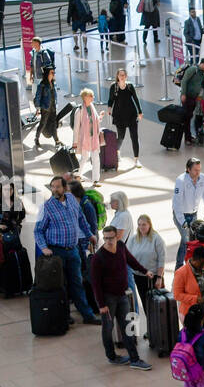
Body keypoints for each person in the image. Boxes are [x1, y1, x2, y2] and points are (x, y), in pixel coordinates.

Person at [35, 175, 99, 324]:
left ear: (65, 188)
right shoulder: (46, 207)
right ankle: (64, 316)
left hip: (73, 250)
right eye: (52, 187)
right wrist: (44, 248)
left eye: (57, 186)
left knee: (77, 283)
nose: (54, 189)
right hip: (56, 252)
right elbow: (38, 230)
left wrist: (90, 234)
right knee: (61, 285)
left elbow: (81, 219)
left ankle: (87, 315)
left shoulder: (71, 200)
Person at [91, 221, 154, 370]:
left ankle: (134, 359)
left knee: (127, 326)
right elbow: (96, 283)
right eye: (105, 238)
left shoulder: (120, 246)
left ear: (117, 237)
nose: (108, 241)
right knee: (108, 328)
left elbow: (131, 260)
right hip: (108, 298)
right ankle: (111, 356)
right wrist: (101, 305)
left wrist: (145, 271)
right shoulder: (98, 258)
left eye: (111, 238)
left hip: (122, 295)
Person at [172, 157, 204, 270]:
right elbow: (177, 204)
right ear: (188, 169)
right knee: (186, 240)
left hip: (193, 215)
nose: (198, 173)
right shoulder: (181, 181)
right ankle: (180, 267)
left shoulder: (203, 179)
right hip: (180, 214)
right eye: (195, 170)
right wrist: (183, 222)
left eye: (199, 170)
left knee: (190, 240)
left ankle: (187, 266)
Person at [107, 68, 143, 169]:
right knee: (121, 137)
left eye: (123, 75)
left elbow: (135, 99)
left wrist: (140, 111)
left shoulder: (130, 86)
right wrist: (109, 108)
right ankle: (117, 151)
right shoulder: (114, 87)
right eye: (120, 75)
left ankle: (136, 159)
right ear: (117, 76)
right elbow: (110, 100)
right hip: (119, 116)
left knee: (134, 137)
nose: (122, 77)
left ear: (126, 76)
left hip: (131, 114)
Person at [173, 242, 204, 320]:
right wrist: (196, 299)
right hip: (192, 313)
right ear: (194, 260)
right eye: (202, 263)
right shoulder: (181, 273)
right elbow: (177, 295)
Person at [71, 88, 104, 187]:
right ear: (85, 97)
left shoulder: (92, 107)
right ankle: (77, 175)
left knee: (96, 158)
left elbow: (96, 120)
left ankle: (96, 180)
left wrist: (100, 117)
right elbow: (76, 128)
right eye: (91, 96)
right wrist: (75, 142)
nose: (93, 97)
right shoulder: (79, 110)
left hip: (93, 138)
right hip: (84, 139)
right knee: (84, 158)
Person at [32, 67, 58, 151]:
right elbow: (38, 97)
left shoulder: (53, 83)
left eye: (54, 73)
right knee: (43, 123)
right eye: (52, 73)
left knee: (54, 123)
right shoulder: (42, 85)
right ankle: (37, 138)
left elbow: (54, 96)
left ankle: (56, 140)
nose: (53, 74)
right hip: (46, 108)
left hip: (53, 107)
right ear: (47, 74)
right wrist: (38, 108)